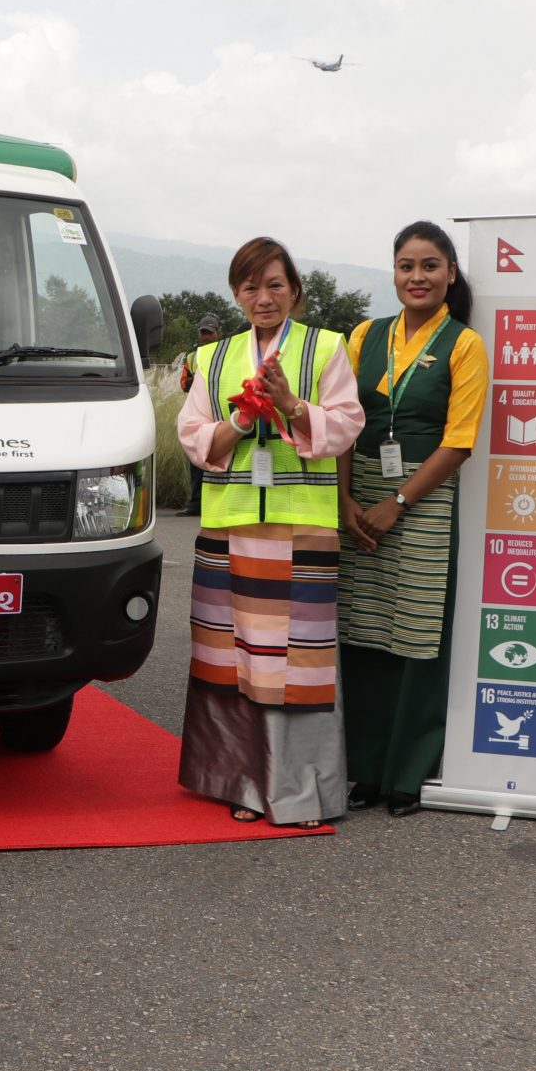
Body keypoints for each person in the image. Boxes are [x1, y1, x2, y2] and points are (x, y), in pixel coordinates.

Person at [176, 238, 366, 828]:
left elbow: (347, 425)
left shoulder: (327, 347)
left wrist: (291, 404)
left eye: (275, 285)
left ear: (295, 291)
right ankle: (241, 781)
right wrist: (241, 419)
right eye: (251, 287)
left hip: (303, 525)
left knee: (300, 663)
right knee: (234, 659)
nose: (264, 297)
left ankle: (302, 791)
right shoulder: (212, 358)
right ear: (236, 293)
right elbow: (194, 434)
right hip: (230, 525)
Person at [337, 221, 488, 816]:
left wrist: (395, 504)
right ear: (393, 273)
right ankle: (365, 770)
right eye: (406, 266)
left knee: (418, 634)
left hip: (421, 497)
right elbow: (345, 422)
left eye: (430, 266)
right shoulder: (363, 335)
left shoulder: (464, 344)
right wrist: (346, 499)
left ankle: (408, 774)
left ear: (450, 273)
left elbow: (459, 441)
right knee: (363, 630)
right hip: (358, 496)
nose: (417, 277)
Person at [176, 316, 225, 515]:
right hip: (198, 414)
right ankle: (196, 503)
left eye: (210, 333)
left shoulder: (227, 353)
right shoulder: (192, 357)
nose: (206, 337)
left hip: (220, 413)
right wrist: (194, 380)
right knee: (197, 458)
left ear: (218, 334)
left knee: (222, 458)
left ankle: (219, 504)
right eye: (203, 332)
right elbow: (183, 384)